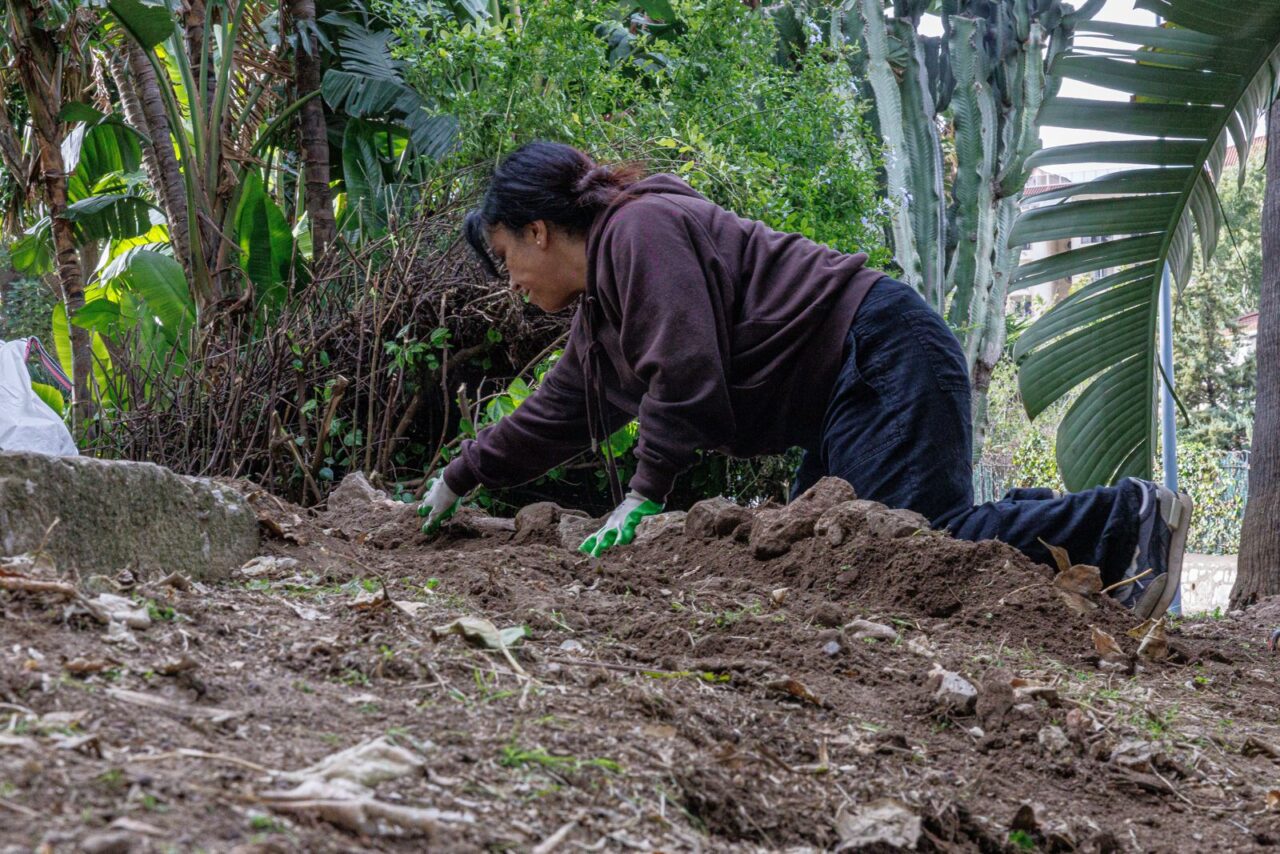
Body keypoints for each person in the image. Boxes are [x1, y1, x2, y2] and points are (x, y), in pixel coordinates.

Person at [417, 141, 1193, 620]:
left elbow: (685, 371)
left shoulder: (638, 232)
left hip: (882, 352)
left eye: (506, 258)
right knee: (828, 561)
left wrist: (643, 491)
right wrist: (460, 476)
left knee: (905, 550)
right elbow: (562, 410)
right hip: (849, 391)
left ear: (539, 231)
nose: (511, 281)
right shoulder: (606, 308)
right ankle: (1054, 524)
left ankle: (1126, 519)